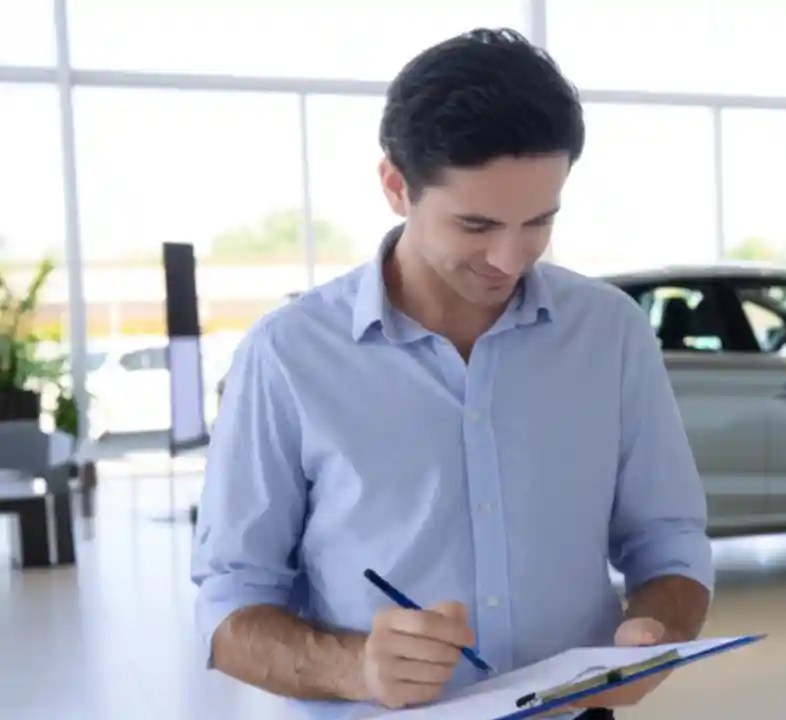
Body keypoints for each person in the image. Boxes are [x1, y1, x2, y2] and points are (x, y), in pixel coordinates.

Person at [191, 28, 714, 720]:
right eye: (475, 224)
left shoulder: (610, 333)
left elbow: (669, 539)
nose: (509, 257)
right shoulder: (287, 355)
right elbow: (229, 602)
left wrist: (656, 634)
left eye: (538, 221)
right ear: (394, 186)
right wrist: (356, 667)